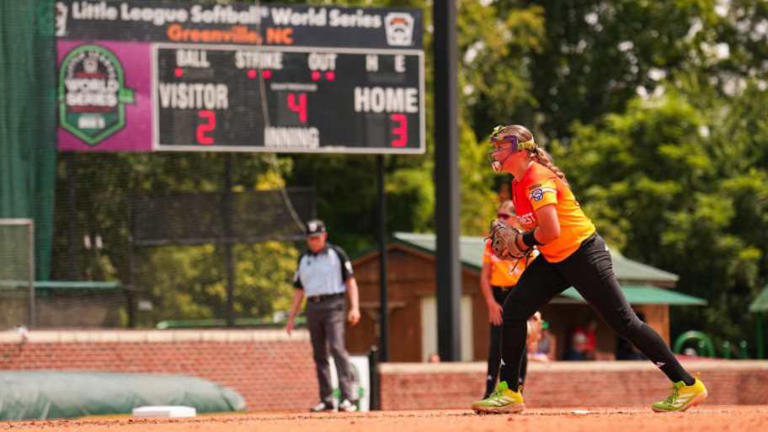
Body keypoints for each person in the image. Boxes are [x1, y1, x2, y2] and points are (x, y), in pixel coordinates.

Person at [471, 125, 707, 414]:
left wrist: (520, 241)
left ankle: (687, 384)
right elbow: (541, 229)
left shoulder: (536, 178)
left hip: (584, 254)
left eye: (500, 147)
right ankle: (509, 392)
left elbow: (552, 230)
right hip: (557, 258)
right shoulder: (519, 182)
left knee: (625, 324)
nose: (495, 152)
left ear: (520, 149)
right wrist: (519, 238)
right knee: (515, 309)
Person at [285, 219, 361, 413]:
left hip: (334, 304)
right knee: (319, 354)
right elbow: (299, 290)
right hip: (313, 306)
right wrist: (292, 317)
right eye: (310, 238)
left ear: (324, 236)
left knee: (337, 348)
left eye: (317, 237)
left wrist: (355, 307)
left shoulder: (336, 254)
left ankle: (348, 398)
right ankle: (326, 399)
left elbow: (351, 282)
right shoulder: (304, 259)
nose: (314, 241)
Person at [480, 200, 536, 398]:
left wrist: (534, 307)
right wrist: (491, 304)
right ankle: (489, 391)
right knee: (496, 344)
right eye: (498, 215)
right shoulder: (491, 243)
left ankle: (517, 389)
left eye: (504, 216)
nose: (499, 220)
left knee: (518, 343)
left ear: (515, 218)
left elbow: (533, 276)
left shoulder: (524, 240)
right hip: (498, 294)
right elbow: (485, 277)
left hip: (518, 292)